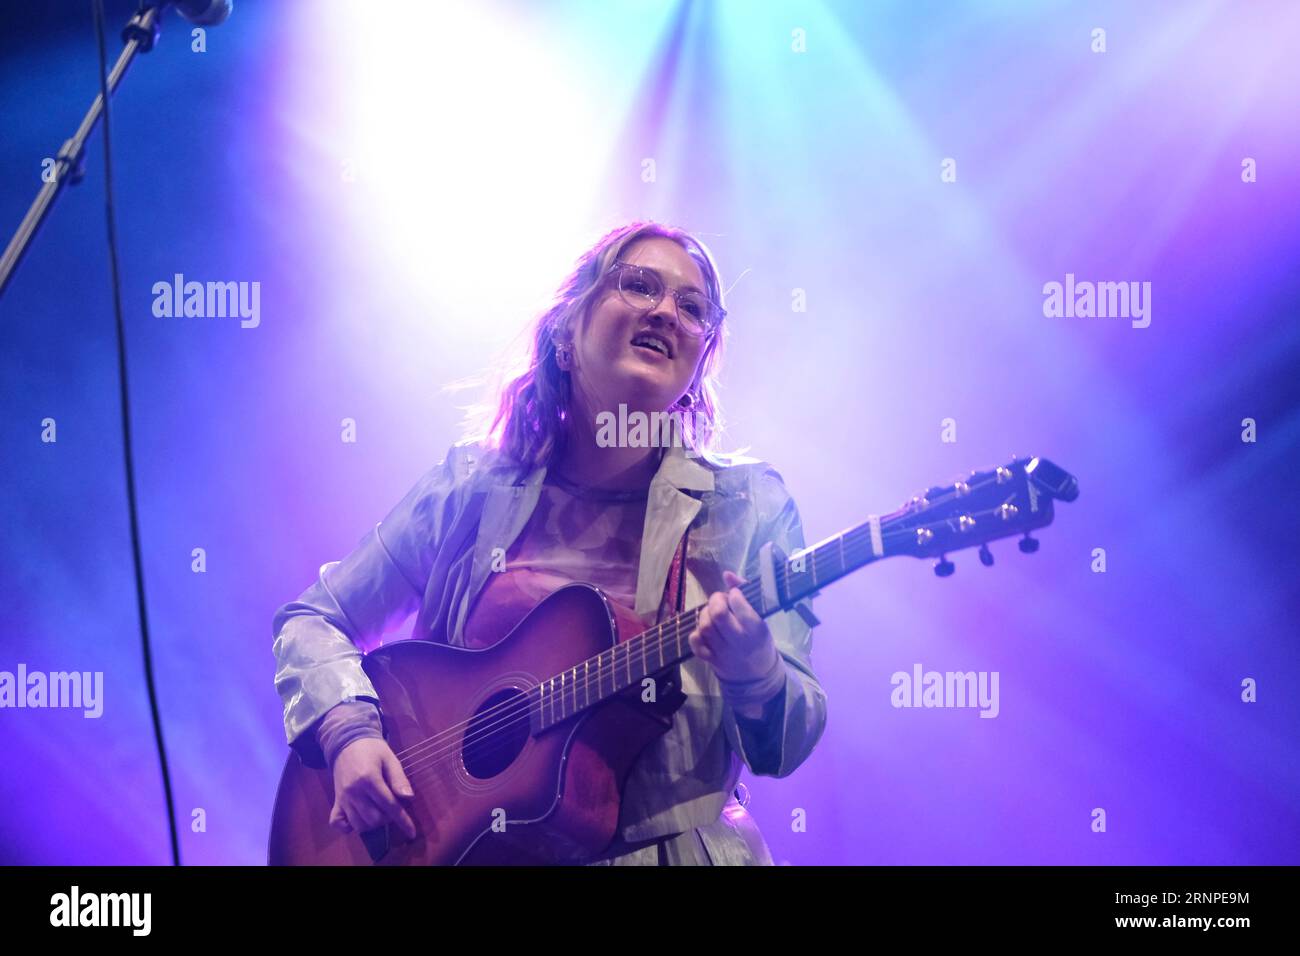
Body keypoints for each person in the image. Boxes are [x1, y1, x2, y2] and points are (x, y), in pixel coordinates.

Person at [271, 220, 828, 865]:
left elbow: (785, 747)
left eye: (692, 307)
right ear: (566, 331)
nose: (667, 312)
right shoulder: (470, 488)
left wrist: (756, 668)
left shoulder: (749, 506)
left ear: (700, 358)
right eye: (640, 286)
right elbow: (314, 618)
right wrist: (347, 731)